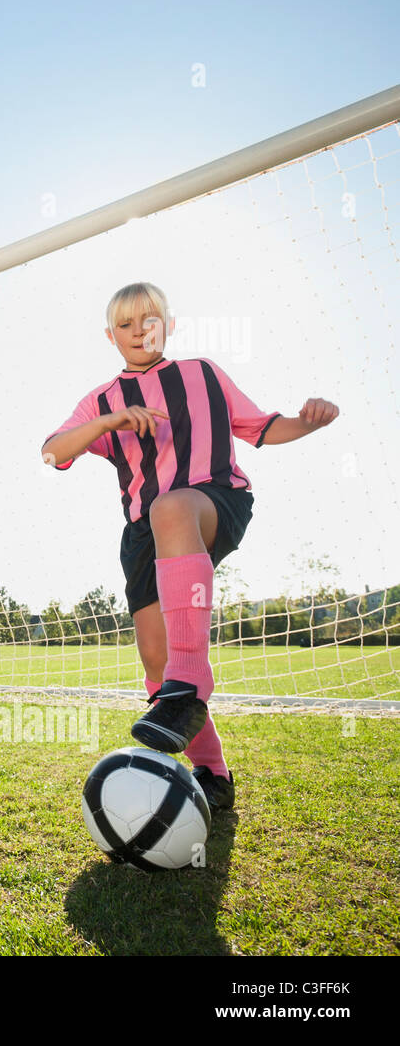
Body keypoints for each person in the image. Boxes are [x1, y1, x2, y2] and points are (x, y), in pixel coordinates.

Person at [41, 281, 339, 809]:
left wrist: (310, 422)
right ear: (111, 336)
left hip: (212, 500)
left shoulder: (202, 373)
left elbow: (264, 428)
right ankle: (214, 773)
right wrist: (107, 422)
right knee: (155, 659)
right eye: (127, 324)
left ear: (170, 324)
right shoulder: (102, 399)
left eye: (150, 319)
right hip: (144, 534)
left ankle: (191, 678)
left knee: (172, 507)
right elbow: (52, 451)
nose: (139, 331)